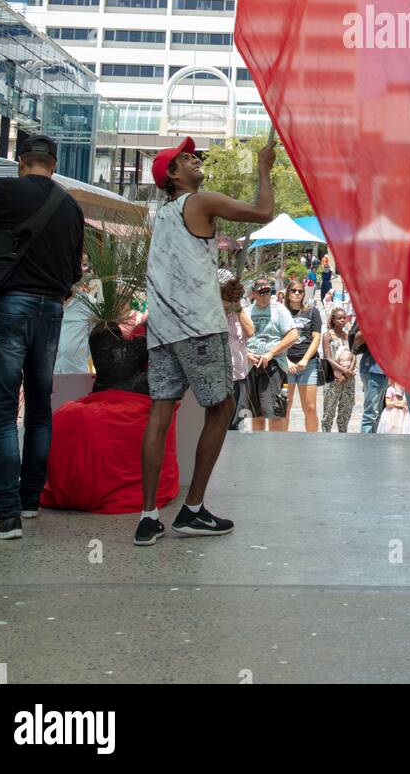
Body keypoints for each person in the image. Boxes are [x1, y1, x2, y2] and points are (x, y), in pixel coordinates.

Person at [136, 135, 274, 546]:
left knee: (161, 413)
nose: (196, 160)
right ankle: (192, 509)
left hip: (162, 330)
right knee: (223, 406)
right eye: (186, 159)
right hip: (198, 326)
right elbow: (263, 211)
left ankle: (147, 518)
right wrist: (263, 167)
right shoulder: (198, 202)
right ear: (172, 176)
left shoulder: (161, 216)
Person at [0, 135, 84, 539]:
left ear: (21, 162)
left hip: (12, 305)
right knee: (37, 407)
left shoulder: (4, 191)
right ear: (53, 163)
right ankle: (30, 499)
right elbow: (74, 271)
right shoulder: (70, 206)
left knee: (0, 410)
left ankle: (6, 513)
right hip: (51, 310)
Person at [246, 276, 298, 431]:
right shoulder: (246, 311)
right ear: (253, 294)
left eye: (268, 291)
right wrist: (246, 353)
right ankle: (259, 450)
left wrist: (271, 353)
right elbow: (236, 338)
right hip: (251, 366)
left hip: (273, 366)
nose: (265, 295)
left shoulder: (280, 310)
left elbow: (293, 335)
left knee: (275, 413)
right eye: (261, 293)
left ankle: (277, 450)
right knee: (256, 415)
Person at [218, 269, 255, 430]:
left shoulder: (239, 308)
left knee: (236, 424)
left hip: (237, 375)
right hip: (218, 376)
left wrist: (237, 306)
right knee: (218, 421)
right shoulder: (212, 309)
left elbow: (250, 331)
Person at [284, 278, 321, 431]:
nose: (297, 293)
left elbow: (317, 337)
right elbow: (275, 340)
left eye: (300, 291)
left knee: (310, 407)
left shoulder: (312, 311)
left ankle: (312, 441)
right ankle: (281, 441)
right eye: (294, 290)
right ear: (288, 293)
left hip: (308, 364)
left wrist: (305, 360)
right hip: (285, 364)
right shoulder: (281, 311)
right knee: (285, 405)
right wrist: (287, 362)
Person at [321, 304, 357, 432]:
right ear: (333, 320)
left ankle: (343, 435)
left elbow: (354, 355)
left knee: (345, 411)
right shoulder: (327, 336)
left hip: (348, 379)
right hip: (333, 378)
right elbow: (328, 357)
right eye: (339, 318)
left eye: (344, 318)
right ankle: (326, 436)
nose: (343, 320)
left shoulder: (348, 336)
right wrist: (342, 371)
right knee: (329, 412)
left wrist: (349, 372)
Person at [350, 321, 388, 432]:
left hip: (383, 371)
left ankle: (374, 443)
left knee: (379, 413)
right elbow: (358, 337)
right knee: (371, 414)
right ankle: (367, 445)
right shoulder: (374, 318)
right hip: (373, 370)